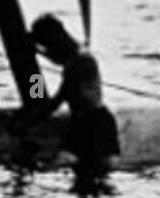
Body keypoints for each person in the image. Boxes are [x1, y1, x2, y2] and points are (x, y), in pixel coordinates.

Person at [12, 14, 120, 177]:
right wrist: (36, 50)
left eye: (47, 43)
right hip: (83, 121)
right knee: (82, 169)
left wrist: (28, 122)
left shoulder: (80, 62)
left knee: (93, 166)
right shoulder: (75, 56)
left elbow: (57, 101)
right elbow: (58, 58)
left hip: (96, 122)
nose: (47, 47)